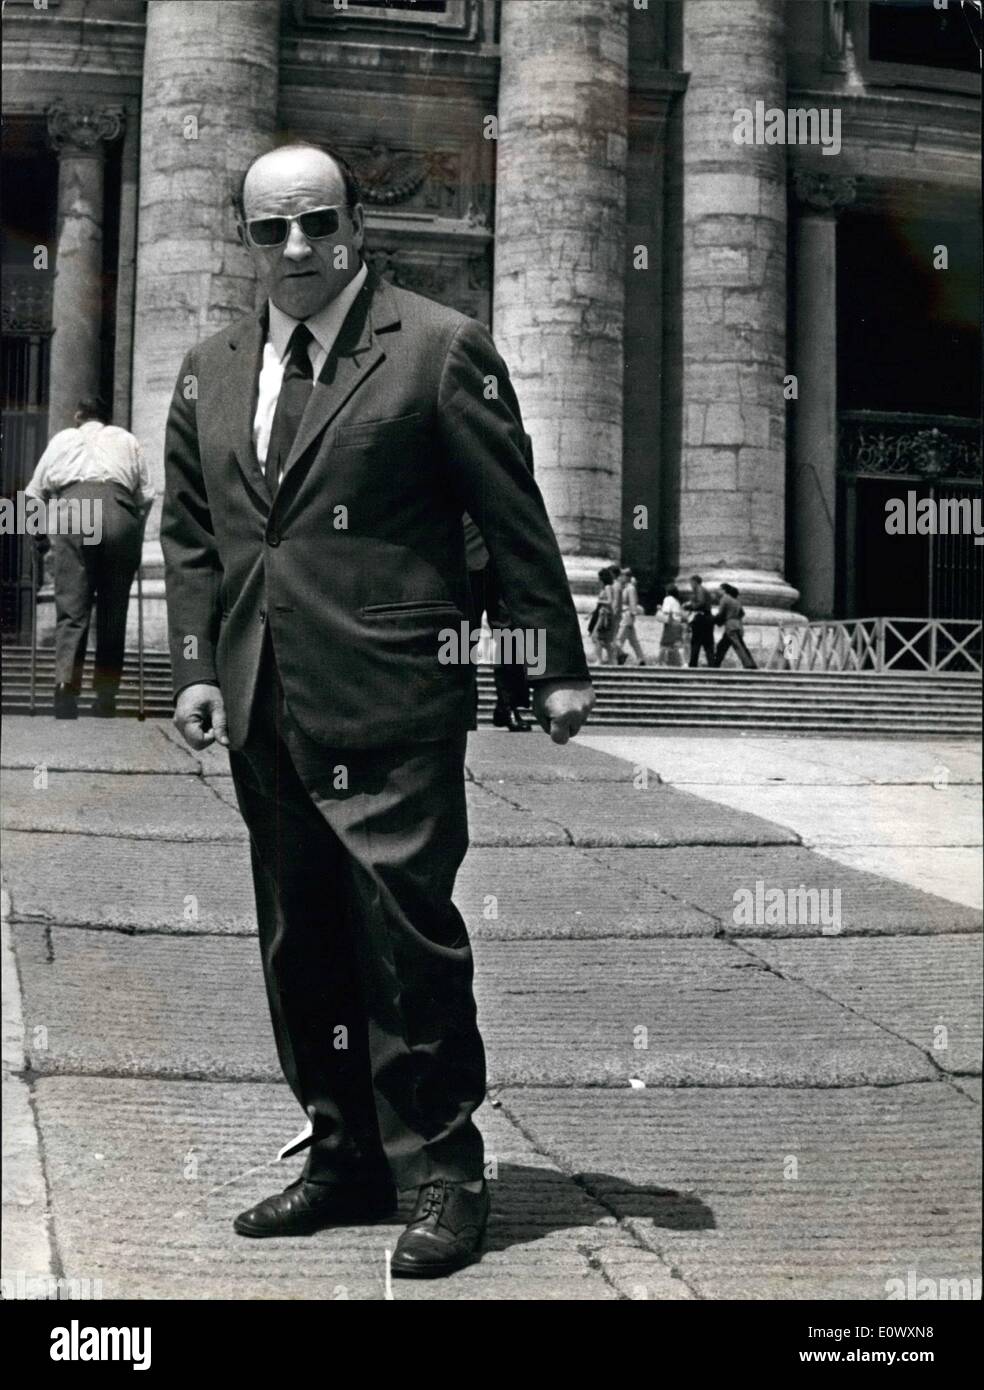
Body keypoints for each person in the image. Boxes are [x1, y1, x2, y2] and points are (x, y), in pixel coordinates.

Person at [160, 141, 594, 1279]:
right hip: (263, 698)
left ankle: (445, 1169)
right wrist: (196, 664)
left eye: (317, 222)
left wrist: (552, 656)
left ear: (357, 220)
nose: (297, 248)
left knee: (404, 934)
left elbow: (512, 512)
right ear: (245, 239)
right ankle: (346, 1150)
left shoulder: (441, 348)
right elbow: (195, 532)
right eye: (271, 230)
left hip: (394, 694)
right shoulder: (210, 367)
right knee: (300, 937)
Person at [25, 396, 154, 719]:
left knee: (72, 608)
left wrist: (41, 539)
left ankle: (66, 690)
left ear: (78, 416)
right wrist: (134, 538)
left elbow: (33, 495)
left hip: (75, 511)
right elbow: (147, 497)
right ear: (107, 418)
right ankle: (106, 697)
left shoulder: (64, 439)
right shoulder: (127, 439)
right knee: (114, 610)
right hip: (120, 512)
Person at [463, 432, 535, 732]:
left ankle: (510, 705)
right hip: (465, 546)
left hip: (506, 549)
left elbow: (527, 492)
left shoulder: (521, 439)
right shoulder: (455, 428)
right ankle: (464, 706)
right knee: (463, 632)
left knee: (512, 632)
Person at [713, 582, 757, 668]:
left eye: (719, 589)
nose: (718, 591)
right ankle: (715, 664)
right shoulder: (736, 601)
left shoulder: (724, 599)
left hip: (730, 626)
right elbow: (742, 613)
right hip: (738, 625)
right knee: (722, 646)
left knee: (738, 647)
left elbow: (721, 613)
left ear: (724, 590)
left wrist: (715, 620)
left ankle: (748, 665)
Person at [613, 564, 646, 666]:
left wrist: (632, 617)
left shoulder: (630, 588)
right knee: (633, 641)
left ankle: (618, 656)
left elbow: (632, 604)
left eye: (623, 575)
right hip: (625, 616)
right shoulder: (624, 587)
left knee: (618, 639)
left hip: (627, 616)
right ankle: (641, 659)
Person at [684, 573, 715, 668]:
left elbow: (700, 603)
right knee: (708, 644)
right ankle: (711, 664)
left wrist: (688, 606)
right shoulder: (702, 590)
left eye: (691, 583)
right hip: (707, 618)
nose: (690, 585)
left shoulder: (699, 589)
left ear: (694, 582)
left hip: (701, 618)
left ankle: (693, 664)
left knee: (696, 642)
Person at [587, 567, 617, 663]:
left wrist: (599, 600)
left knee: (596, 637)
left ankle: (600, 659)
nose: (598, 579)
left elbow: (610, 600)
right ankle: (613, 659)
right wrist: (591, 613)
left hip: (604, 614)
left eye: (599, 577)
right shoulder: (604, 588)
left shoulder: (608, 587)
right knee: (604, 640)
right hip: (600, 613)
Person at [656, 583, 685, 667]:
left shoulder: (667, 599)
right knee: (678, 644)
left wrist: (659, 609)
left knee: (663, 645)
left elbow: (666, 611)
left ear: (668, 592)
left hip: (671, 624)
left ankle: (659, 663)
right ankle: (684, 663)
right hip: (678, 624)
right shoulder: (676, 601)